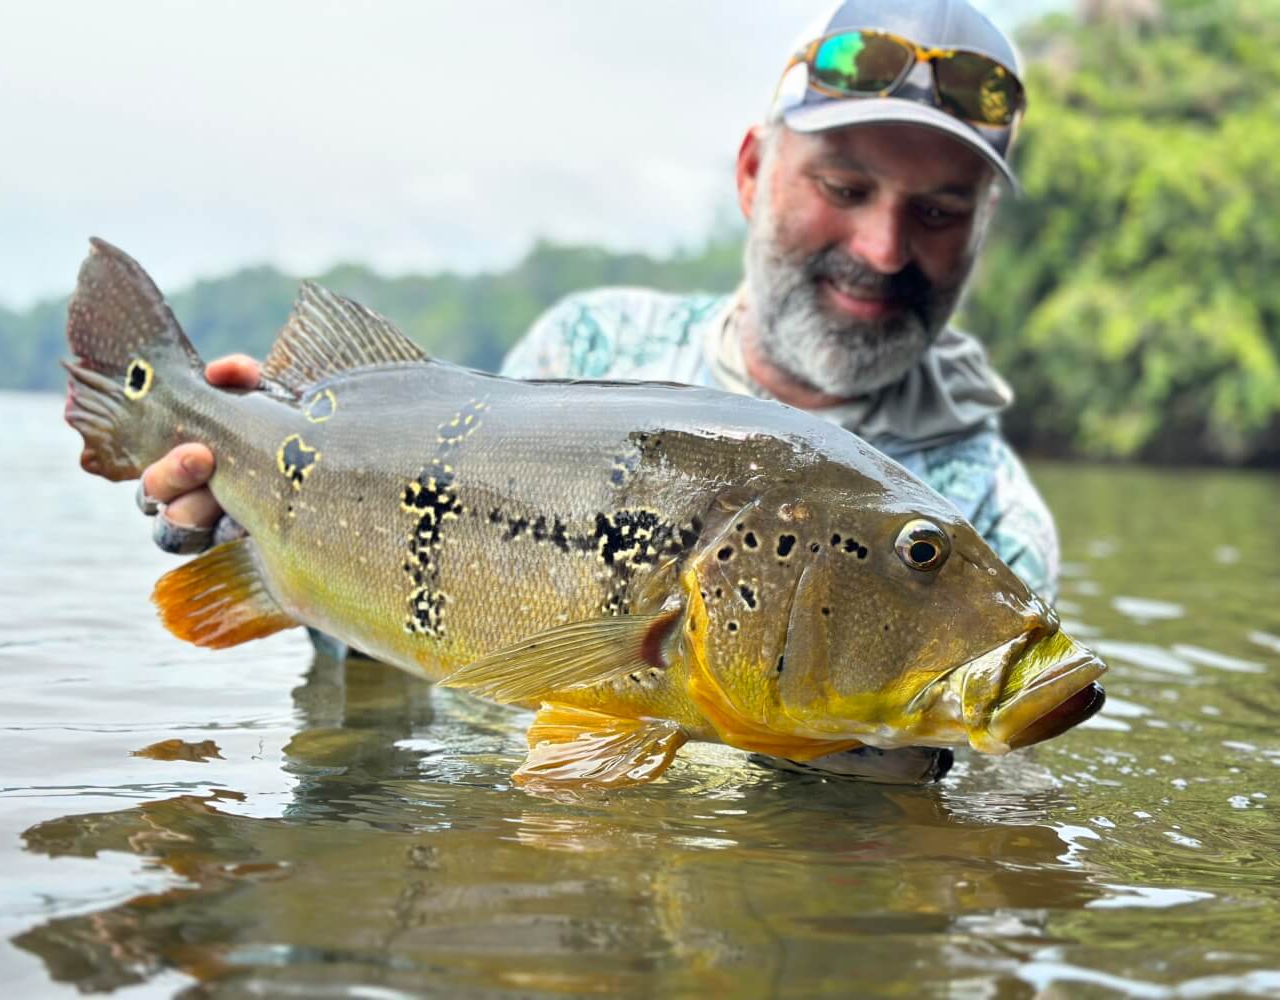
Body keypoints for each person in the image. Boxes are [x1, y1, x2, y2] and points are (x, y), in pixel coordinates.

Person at [136, 0, 1056, 784]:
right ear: (750, 172)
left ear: (981, 233)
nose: (883, 248)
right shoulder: (586, 342)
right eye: (845, 186)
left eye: (938, 212)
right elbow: (405, 652)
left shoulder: (997, 520)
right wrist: (253, 510)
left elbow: (931, 823)